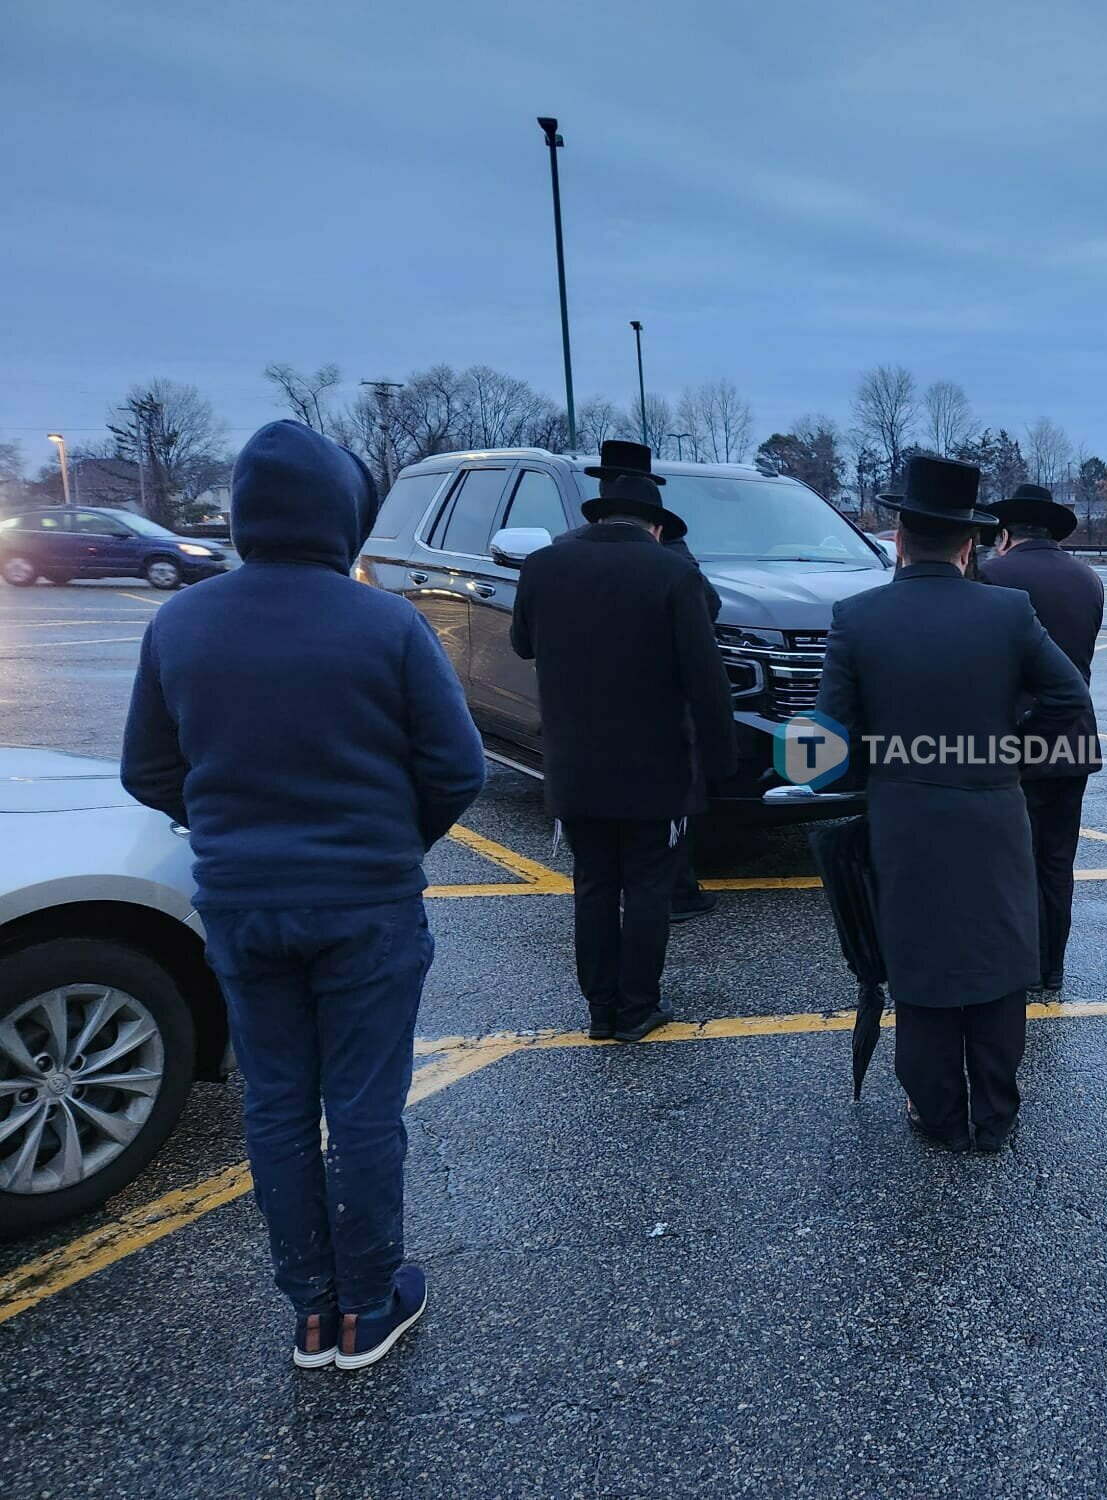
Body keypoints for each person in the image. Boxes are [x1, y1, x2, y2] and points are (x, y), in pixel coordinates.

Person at [121, 419, 486, 1371]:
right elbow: (457, 767)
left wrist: (232, 829)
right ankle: (369, 1302)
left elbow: (147, 771)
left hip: (244, 903)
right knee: (365, 1108)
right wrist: (391, 842)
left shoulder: (182, 621)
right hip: (365, 902)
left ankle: (312, 1313)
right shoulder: (385, 621)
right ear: (341, 514)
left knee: (277, 1106)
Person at [815, 456, 1089, 1152]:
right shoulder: (1007, 611)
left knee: (921, 959)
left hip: (904, 818)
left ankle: (936, 1114)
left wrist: (842, 774)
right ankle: (993, 1115)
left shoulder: (857, 617)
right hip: (994, 811)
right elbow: (1068, 697)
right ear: (970, 543)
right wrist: (1003, 748)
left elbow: (821, 743)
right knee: (998, 960)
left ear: (899, 537)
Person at [511, 440, 736, 1043]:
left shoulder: (544, 564)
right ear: (657, 527)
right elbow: (704, 675)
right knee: (646, 885)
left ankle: (599, 1010)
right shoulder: (674, 573)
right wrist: (720, 758)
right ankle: (637, 1006)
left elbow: (523, 644)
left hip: (573, 758)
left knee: (593, 882)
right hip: (654, 763)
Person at [982, 482, 1106, 990]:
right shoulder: (1088, 578)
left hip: (1008, 740)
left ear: (1006, 533)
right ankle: (1050, 966)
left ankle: (1014, 961)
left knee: (1008, 860)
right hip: (1072, 738)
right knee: (1057, 860)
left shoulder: (991, 574)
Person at [661, 527, 725, 924]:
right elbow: (709, 605)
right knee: (672, 793)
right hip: (663, 700)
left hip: (580, 719)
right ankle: (678, 891)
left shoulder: (568, 550)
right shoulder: (676, 560)